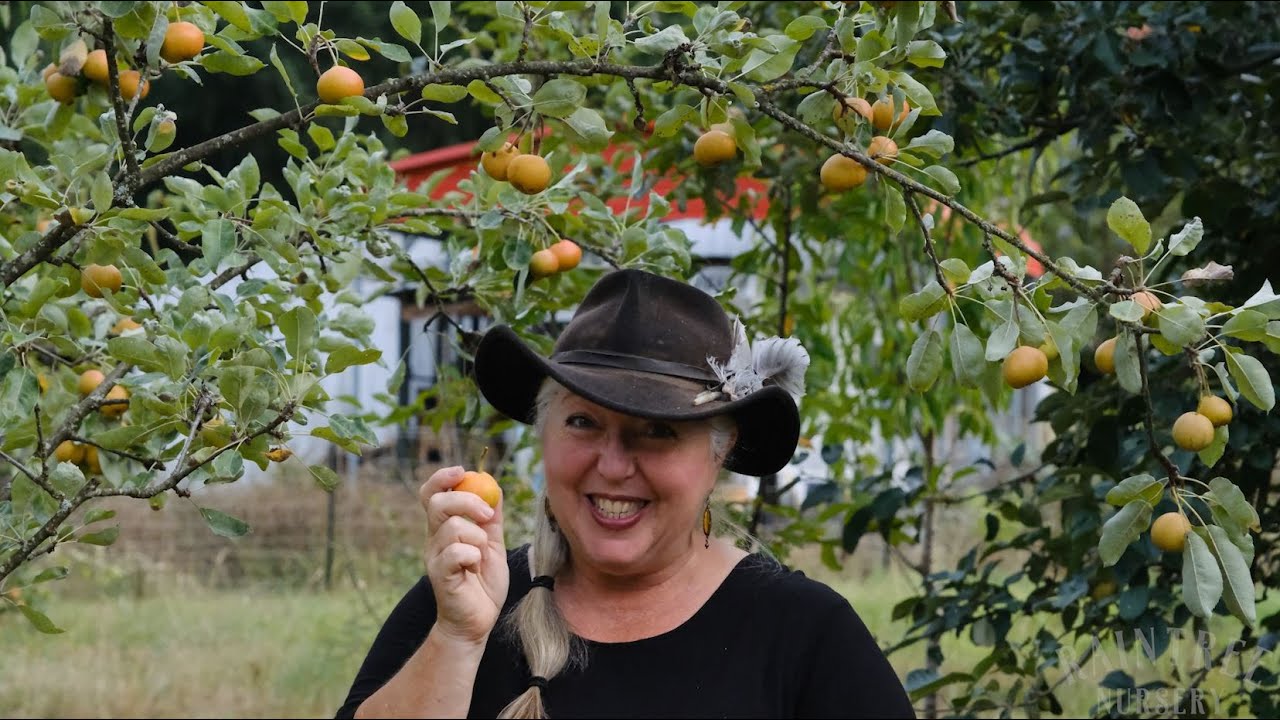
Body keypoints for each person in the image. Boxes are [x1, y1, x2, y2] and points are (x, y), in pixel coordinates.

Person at [336, 269, 915, 719]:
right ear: (543, 433)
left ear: (721, 453)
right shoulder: (460, 603)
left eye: (658, 431)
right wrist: (457, 639)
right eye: (582, 423)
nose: (612, 466)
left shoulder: (804, 636)